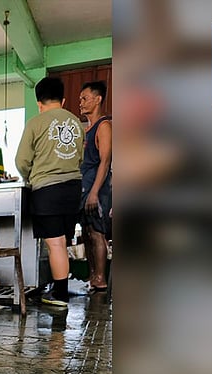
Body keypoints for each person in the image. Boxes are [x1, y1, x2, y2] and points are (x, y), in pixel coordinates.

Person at [16, 77, 85, 307]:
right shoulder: (76, 122)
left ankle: (60, 295)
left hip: (48, 189)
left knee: (54, 244)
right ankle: (59, 289)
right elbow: (80, 158)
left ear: (39, 102)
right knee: (62, 243)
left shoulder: (36, 123)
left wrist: (31, 176)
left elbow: (21, 161)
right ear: (63, 100)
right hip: (73, 188)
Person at [79, 80, 112, 293]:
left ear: (98, 99)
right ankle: (92, 276)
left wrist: (93, 192)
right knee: (87, 232)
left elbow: (106, 160)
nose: (80, 103)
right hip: (85, 188)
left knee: (97, 233)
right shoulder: (87, 129)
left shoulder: (104, 126)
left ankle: (100, 279)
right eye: (80, 99)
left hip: (97, 190)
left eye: (85, 98)